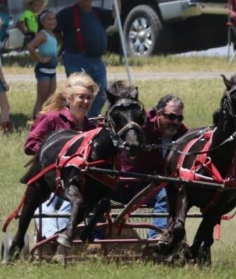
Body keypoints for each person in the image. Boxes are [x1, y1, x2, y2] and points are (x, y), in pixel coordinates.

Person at [24, 72, 98, 239]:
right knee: (46, 205)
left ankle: (63, 236)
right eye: (81, 97)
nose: (86, 102)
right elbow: (30, 144)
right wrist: (55, 158)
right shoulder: (52, 119)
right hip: (50, 179)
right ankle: (51, 238)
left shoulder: (92, 128)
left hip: (78, 184)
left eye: (89, 97)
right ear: (69, 98)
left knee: (72, 204)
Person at [117, 94, 188, 239]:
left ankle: (157, 237)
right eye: (171, 117)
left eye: (179, 118)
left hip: (155, 188)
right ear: (158, 113)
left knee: (167, 194)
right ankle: (94, 236)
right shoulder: (140, 126)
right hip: (126, 183)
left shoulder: (183, 134)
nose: (175, 122)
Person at [55, 0, 113, 118]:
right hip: (77, 57)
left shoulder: (97, 12)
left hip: (97, 60)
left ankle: (90, 118)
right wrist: (62, 42)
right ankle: (74, 118)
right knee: (78, 91)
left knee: (101, 92)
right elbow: (54, 28)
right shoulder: (68, 13)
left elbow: (114, 15)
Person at [27, 9, 59, 117]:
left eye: (53, 18)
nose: (52, 21)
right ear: (42, 22)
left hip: (52, 71)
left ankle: (46, 120)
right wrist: (40, 59)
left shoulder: (53, 34)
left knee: (50, 98)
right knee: (41, 98)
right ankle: (35, 122)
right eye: (48, 19)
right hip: (43, 70)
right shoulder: (42, 34)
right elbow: (30, 46)